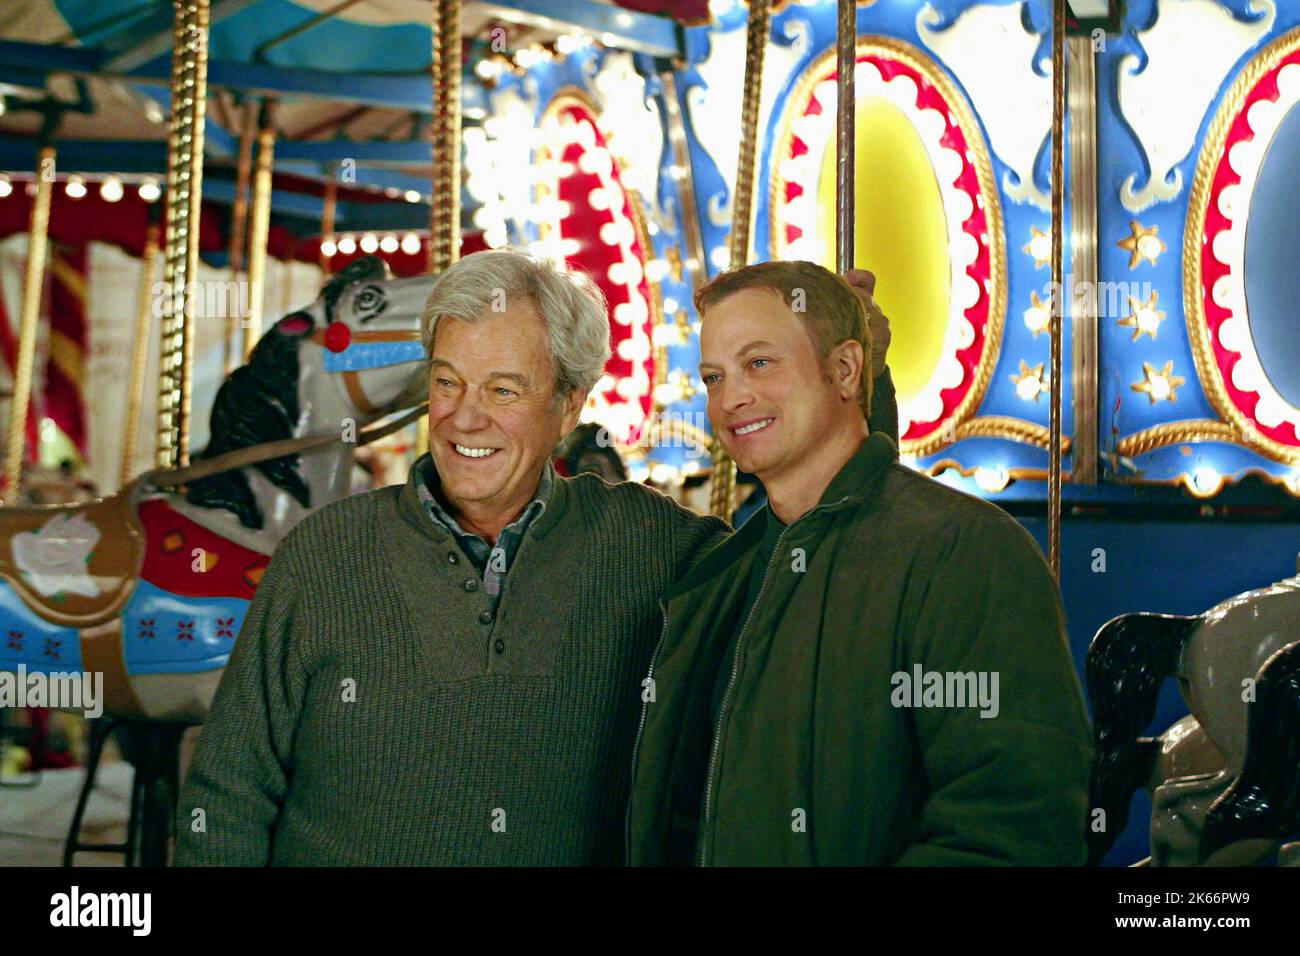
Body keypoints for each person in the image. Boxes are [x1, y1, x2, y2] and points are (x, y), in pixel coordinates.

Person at [173, 250, 735, 865]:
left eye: (503, 389)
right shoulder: (326, 552)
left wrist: (847, 382)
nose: (465, 418)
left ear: (569, 404)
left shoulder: (649, 546)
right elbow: (228, 792)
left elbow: (809, 567)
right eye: (447, 382)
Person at [626, 260, 1092, 866]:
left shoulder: (962, 551)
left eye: (759, 363)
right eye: (714, 377)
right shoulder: (723, 574)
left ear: (845, 369)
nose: (731, 397)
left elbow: (1013, 828)